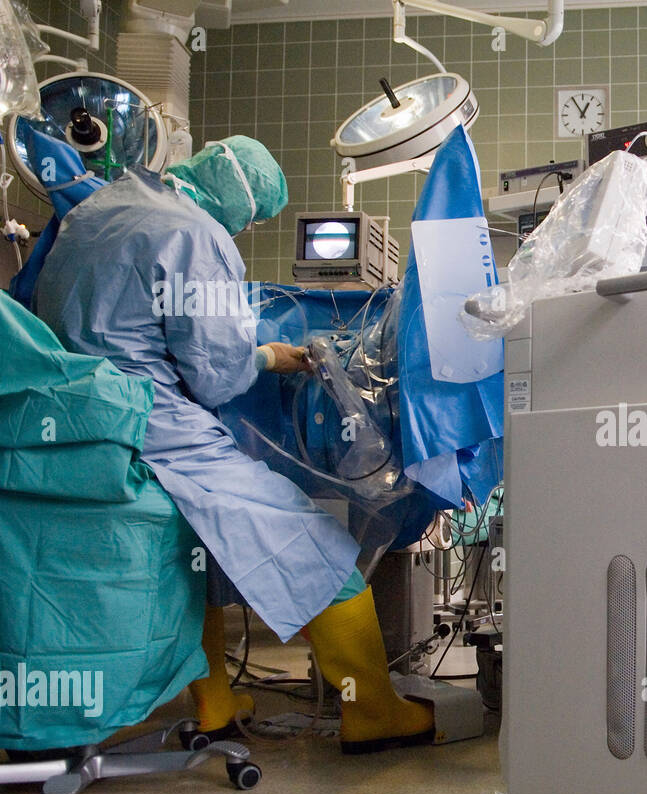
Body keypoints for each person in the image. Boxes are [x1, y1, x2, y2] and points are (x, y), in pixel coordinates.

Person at [32, 136, 435, 755]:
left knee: (193, 557)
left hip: (70, 436)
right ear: (242, 205)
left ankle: (216, 702)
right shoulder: (194, 234)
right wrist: (271, 355)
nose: (245, 229)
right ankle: (373, 710)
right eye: (252, 221)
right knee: (315, 544)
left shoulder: (95, 209)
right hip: (150, 430)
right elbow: (216, 374)